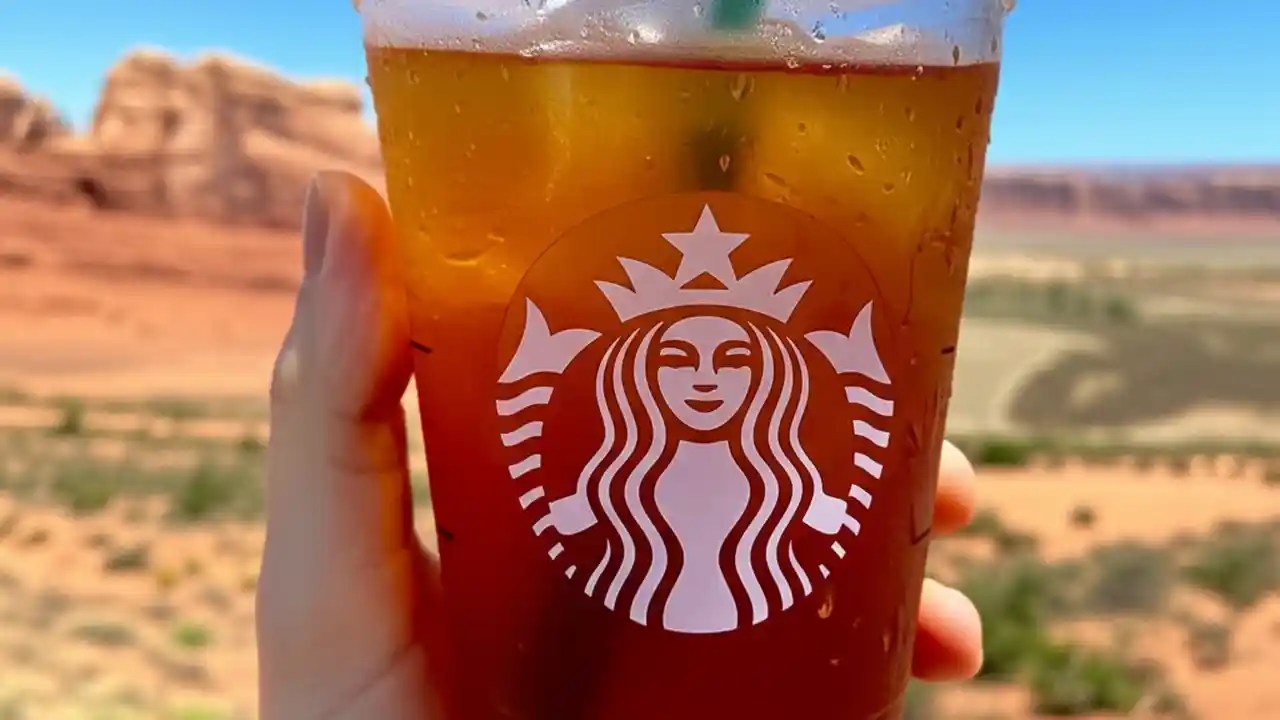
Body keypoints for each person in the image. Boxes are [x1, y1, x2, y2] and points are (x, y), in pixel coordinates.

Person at [256, 172, 984, 719]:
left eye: (734, 360)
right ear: (636, 373)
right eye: (677, 359)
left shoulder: (811, 504)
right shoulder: (585, 504)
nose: (706, 379)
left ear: (770, 376)